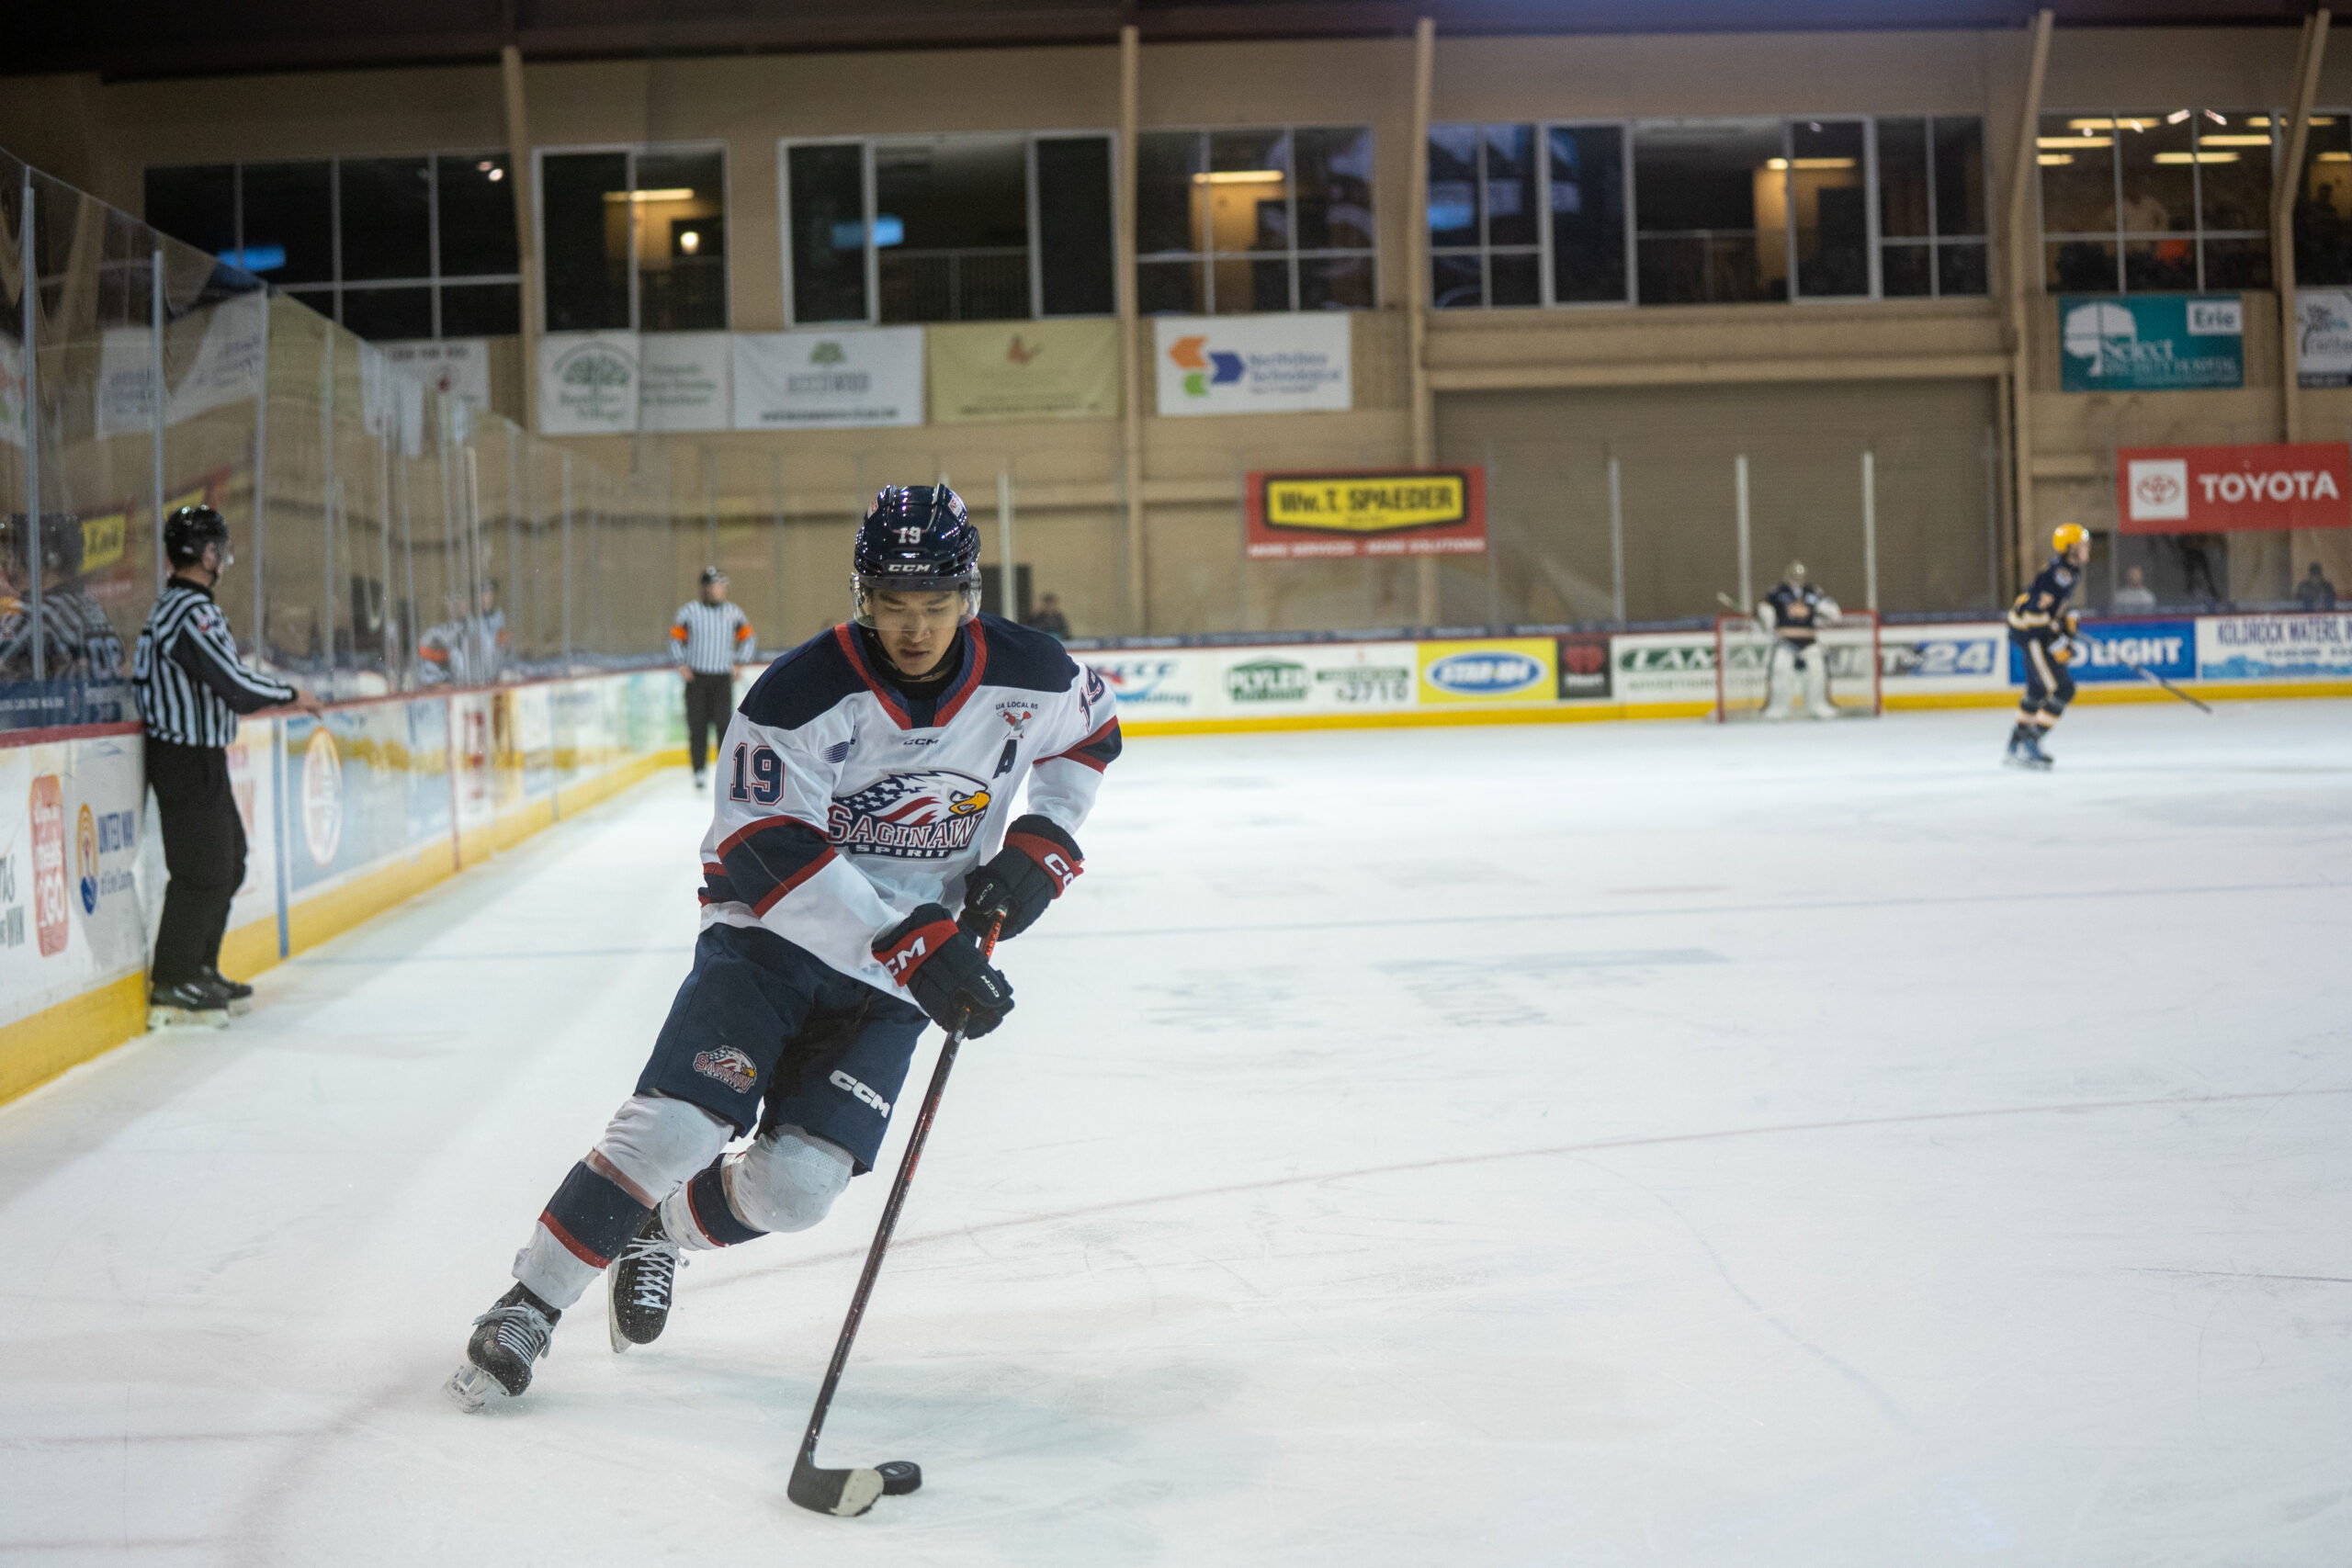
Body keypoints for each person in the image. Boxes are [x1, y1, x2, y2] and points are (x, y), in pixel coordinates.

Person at [447, 484, 1121, 1411]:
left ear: (969, 597)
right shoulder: (803, 690)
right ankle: (529, 1302)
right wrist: (913, 941)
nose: (914, 628)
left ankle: (660, 1234)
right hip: (770, 943)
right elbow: (763, 851)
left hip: (894, 976)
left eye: (933, 607)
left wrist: (1045, 848)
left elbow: (1090, 732)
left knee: (801, 1188)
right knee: (676, 1128)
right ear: (862, 597)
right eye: (893, 606)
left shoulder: (1031, 671)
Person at [131, 505, 322, 1026]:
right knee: (203, 870)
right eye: (217, 544)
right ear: (205, 552)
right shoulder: (182, 611)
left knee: (229, 862)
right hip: (183, 757)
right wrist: (290, 692)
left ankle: (199, 968)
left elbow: (227, 677)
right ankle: (173, 981)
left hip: (201, 756)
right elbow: (233, 685)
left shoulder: (195, 607)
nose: (224, 554)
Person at [2004, 523, 2092, 771]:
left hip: (2029, 632)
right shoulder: (2058, 575)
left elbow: (2050, 609)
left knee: (2037, 691)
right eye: (2083, 544)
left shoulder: (2070, 571)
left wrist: (2062, 623)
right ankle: (2028, 743)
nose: (2087, 548)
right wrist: (2057, 638)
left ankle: (2014, 746)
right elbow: (2033, 615)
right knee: (2064, 689)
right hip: (2029, 634)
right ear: (2070, 547)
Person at [672, 567, 755, 788]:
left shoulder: (733, 612)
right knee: (697, 725)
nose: (720, 590)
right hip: (696, 678)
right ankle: (698, 770)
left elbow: (748, 638)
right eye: (716, 586)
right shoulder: (688, 612)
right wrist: (680, 663)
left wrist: (740, 662)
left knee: (723, 726)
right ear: (705, 588)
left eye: (722, 586)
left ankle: (724, 771)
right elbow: (676, 639)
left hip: (721, 678)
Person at [1754, 560, 1840, 720]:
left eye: (1800, 575)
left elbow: (1831, 612)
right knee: (1781, 671)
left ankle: (1818, 706)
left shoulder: (1813, 592)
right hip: (1785, 641)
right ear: (1788, 575)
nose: (1797, 578)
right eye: (1794, 575)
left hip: (1809, 641)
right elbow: (1764, 609)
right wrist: (1766, 618)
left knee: (1817, 673)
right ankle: (1778, 709)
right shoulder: (1777, 592)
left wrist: (1827, 614)